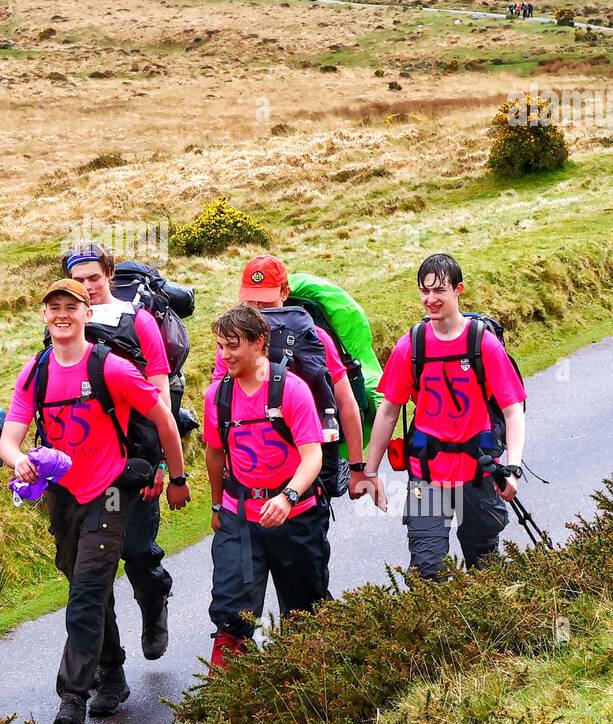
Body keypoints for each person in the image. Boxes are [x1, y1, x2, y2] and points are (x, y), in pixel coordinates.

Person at [0, 279, 191, 724]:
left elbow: (164, 417)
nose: (61, 314)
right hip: (63, 496)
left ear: (88, 314)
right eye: (53, 308)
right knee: (80, 578)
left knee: (87, 587)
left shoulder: (113, 367)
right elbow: (9, 436)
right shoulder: (36, 371)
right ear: (45, 317)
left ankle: (72, 699)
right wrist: (18, 460)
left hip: (109, 492)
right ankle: (111, 671)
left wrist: (178, 477)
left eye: (71, 307)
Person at [362, 253, 526, 580]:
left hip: (479, 472)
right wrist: (370, 471)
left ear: (458, 290)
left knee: (485, 566)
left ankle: (483, 629)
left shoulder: (484, 344)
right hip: (426, 474)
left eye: (439, 290)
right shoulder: (411, 346)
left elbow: (513, 411)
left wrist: (513, 467)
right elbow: (389, 410)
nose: (431, 299)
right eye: (425, 291)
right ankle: (436, 631)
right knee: (427, 570)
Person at [62, 241, 175, 659]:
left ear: (110, 275)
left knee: (136, 551)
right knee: (91, 567)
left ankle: (154, 600)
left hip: (136, 460)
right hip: (85, 467)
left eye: (94, 277)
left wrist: (161, 463)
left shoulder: (139, 321)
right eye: (78, 280)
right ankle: (107, 665)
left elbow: (161, 395)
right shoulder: (66, 323)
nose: (87, 286)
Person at [204, 304, 324, 668]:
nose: (225, 356)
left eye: (232, 346)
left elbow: (312, 456)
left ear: (259, 343)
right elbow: (214, 454)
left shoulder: (292, 390)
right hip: (239, 518)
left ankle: (311, 690)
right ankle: (222, 699)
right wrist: (216, 508)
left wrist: (287, 497)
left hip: (297, 517)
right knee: (231, 612)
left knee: (305, 614)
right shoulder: (217, 396)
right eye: (221, 346)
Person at [211, 255, 368, 498]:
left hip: (307, 462)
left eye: (265, 302)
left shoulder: (313, 337)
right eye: (251, 302)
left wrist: (357, 467)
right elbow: (217, 406)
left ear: (285, 292)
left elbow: (345, 400)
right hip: (251, 464)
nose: (259, 311)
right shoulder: (232, 346)